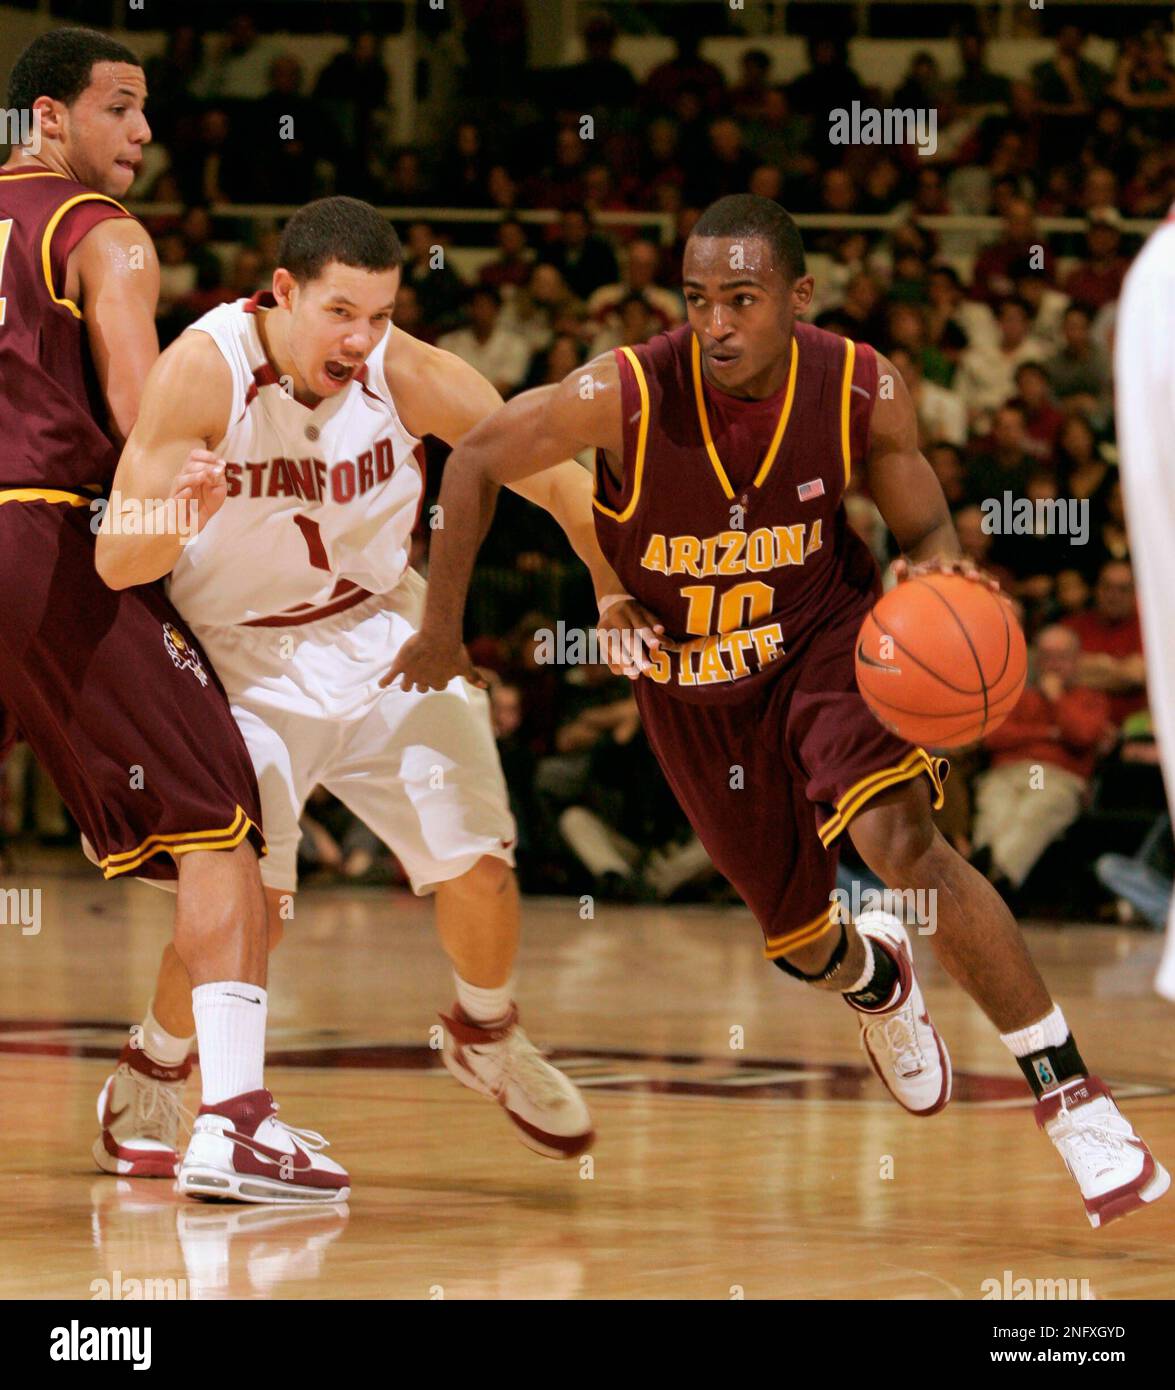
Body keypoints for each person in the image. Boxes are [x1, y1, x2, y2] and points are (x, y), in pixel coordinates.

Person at [389, 194, 1168, 1228]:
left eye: (741, 299)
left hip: (824, 648)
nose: (714, 323)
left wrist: (935, 579)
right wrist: (442, 628)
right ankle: (873, 979)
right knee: (801, 941)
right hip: (691, 688)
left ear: (796, 298)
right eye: (698, 298)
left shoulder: (858, 384)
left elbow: (921, 513)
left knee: (904, 843)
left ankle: (1070, 1098)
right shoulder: (625, 389)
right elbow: (480, 454)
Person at [95, 196, 644, 1166]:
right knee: (257, 909)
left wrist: (608, 593)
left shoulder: (410, 374)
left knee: (479, 860)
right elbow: (115, 562)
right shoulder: (203, 370)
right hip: (239, 655)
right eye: (340, 313)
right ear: (282, 293)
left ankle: (483, 1030)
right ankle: (159, 1057)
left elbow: (560, 476)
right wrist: (181, 515)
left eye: (381, 315)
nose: (362, 339)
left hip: (385, 628)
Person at [0, 27, 343, 1202]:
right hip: (42, 535)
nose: (143, 131)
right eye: (120, 107)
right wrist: (206, 479)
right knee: (221, 822)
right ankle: (236, 1118)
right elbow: (149, 416)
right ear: (47, 119)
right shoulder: (104, 232)